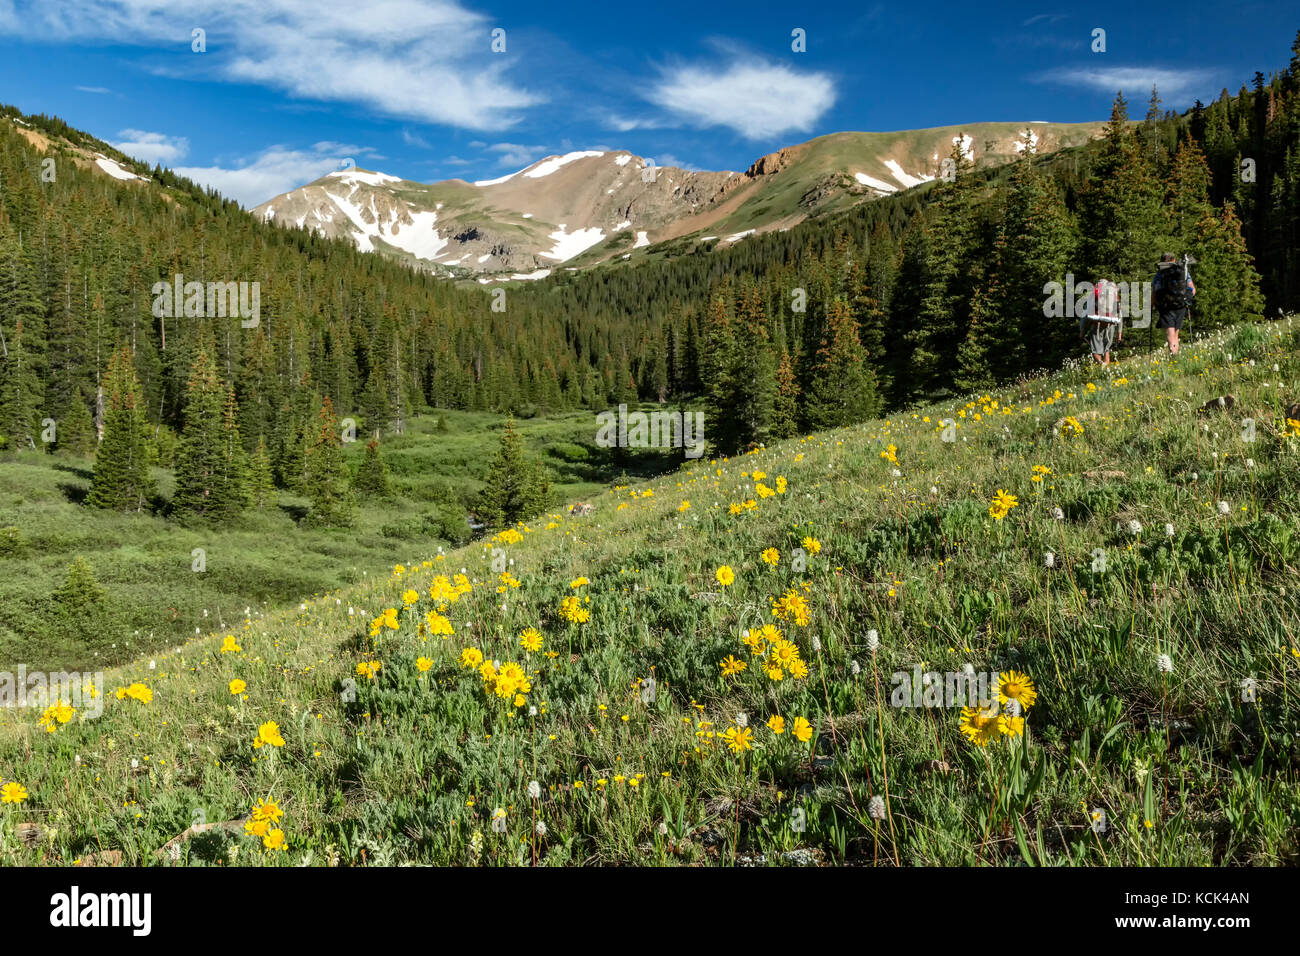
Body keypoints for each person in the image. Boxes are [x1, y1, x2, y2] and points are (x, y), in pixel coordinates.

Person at [1153, 253, 1195, 356]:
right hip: (1181, 305)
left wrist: (1152, 305)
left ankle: (1174, 357)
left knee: (1170, 334)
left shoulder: (1160, 274)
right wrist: (1187, 299)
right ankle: (1176, 356)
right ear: (1174, 260)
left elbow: (1154, 291)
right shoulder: (1182, 271)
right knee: (1176, 334)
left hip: (1166, 306)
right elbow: (1192, 289)